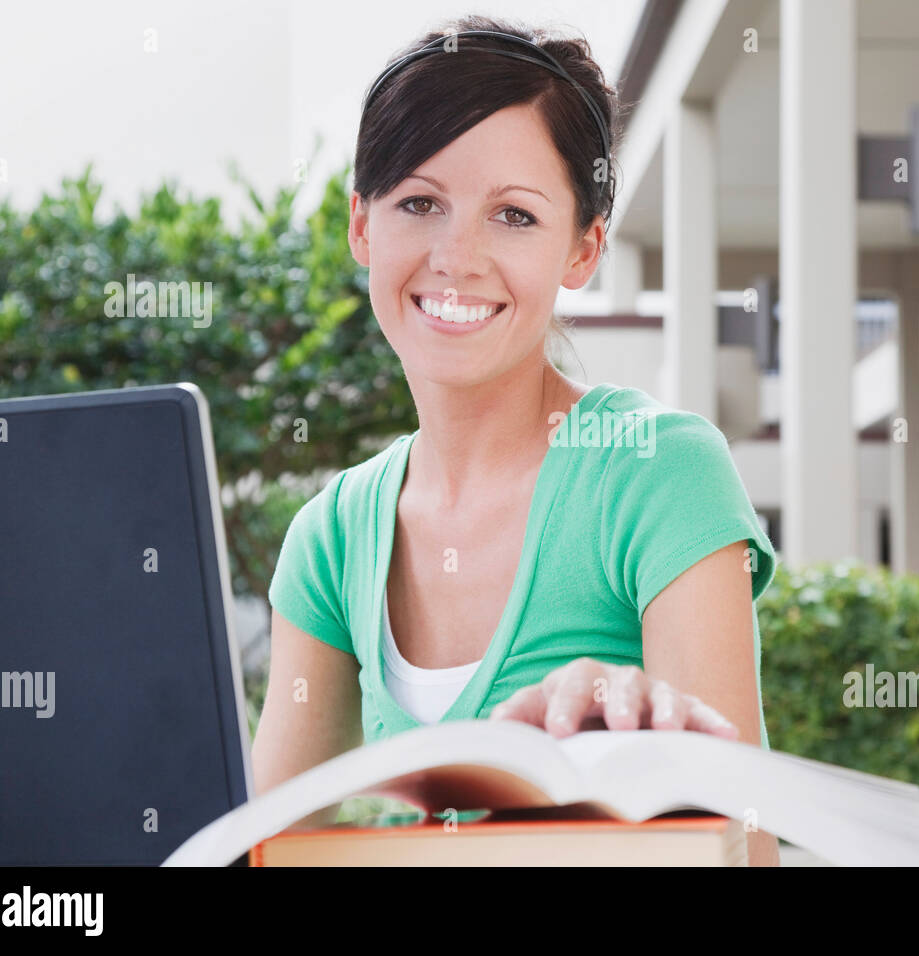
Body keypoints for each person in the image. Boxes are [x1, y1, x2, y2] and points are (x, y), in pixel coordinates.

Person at [250, 14, 780, 866]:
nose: (457, 257)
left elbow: (743, 851)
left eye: (515, 216)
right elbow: (272, 850)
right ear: (362, 226)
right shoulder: (331, 535)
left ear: (584, 247)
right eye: (420, 203)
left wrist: (625, 759)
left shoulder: (656, 473)